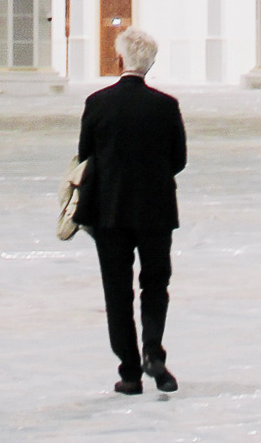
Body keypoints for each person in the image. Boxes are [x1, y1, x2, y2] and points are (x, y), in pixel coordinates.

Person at [75, 25, 188, 394]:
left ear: (118, 58)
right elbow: (178, 159)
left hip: (108, 210)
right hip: (155, 210)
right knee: (155, 284)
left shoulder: (97, 103)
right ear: (151, 64)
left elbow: (86, 153)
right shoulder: (166, 106)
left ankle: (128, 372)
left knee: (117, 290)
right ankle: (154, 354)